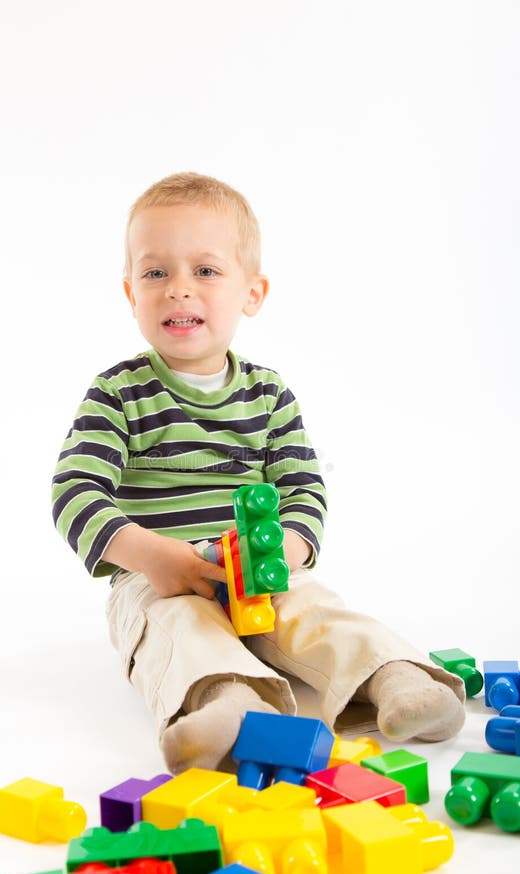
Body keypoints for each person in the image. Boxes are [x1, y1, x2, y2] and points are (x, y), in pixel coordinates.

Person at [52, 171, 465, 774]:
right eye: (155, 272)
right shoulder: (118, 393)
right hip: (155, 577)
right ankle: (228, 701)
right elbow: (74, 492)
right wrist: (149, 556)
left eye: (207, 271)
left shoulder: (269, 395)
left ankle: (395, 678)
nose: (178, 290)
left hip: (256, 569)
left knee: (315, 608)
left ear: (252, 292)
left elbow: (302, 486)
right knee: (178, 628)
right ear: (130, 293)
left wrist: (289, 549)